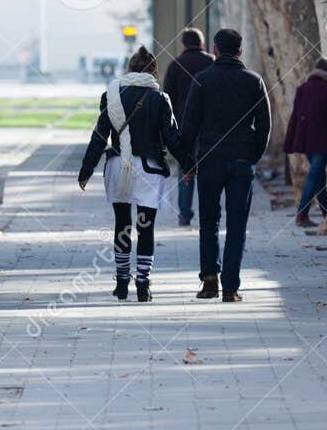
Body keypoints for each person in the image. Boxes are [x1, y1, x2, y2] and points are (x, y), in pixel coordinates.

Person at [78, 46, 183, 302]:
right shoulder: (160, 99)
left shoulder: (111, 95)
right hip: (149, 170)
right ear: (153, 72)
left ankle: (122, 282)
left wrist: (86, 169)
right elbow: (171, 137)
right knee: (145, 227)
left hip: (118, 167)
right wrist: (190, 165)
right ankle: (143, 284)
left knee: (122, 224)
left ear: (129, 69)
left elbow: (99, 136)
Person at [181, 28, 271, 302]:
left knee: (208, 221)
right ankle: (231, 287)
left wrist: (188, 162)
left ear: (215, 50)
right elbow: (265, 125)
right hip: (242, 160)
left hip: (210, 159)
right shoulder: (253, 81)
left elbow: (189, 125)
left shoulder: (202, 80)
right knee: (237, 225)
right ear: (240, 51)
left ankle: (210, 281)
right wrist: (253, 155)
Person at [283, 56, 327, 228]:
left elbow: (294, 117)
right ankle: (302, 214)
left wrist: (291, 139)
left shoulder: (302, 89)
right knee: (315, 175)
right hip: (322, 141)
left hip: (306, 140)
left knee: (319, 177)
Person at [163, 27, 215, 227]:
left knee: (185, 168)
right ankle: (208, 212)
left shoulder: (175, 65)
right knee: (209, 169)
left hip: (183, 125)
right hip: (209, 125)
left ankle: (184, 213)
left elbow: (167, 98)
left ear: (183, 44)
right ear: (202, 43)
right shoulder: (212, 62)